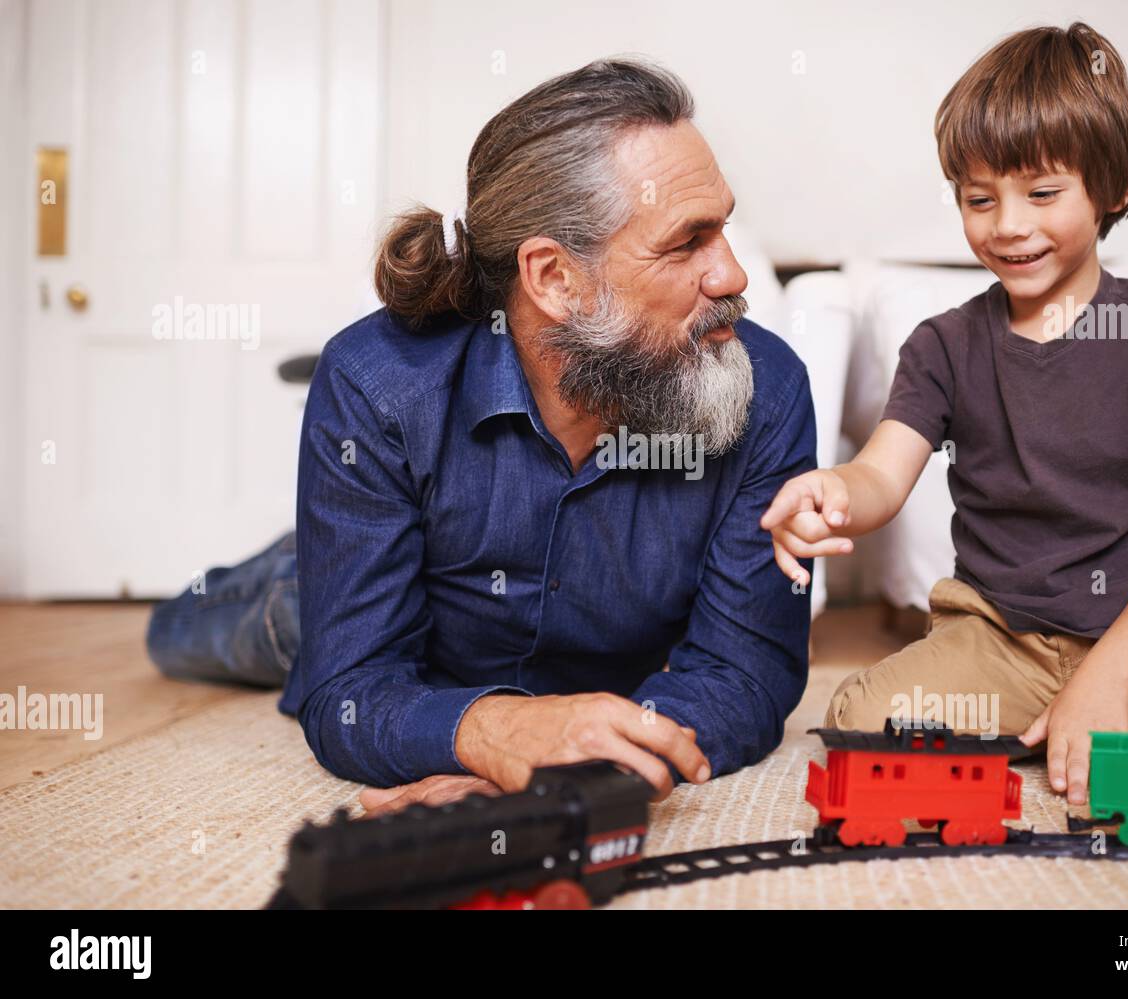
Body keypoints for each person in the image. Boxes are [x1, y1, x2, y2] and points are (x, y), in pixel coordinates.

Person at [148, 58, 816, 814]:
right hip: (320, 606)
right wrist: (489, 730)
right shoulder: (376, 385)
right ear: (554, 278)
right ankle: (302, 559)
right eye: (687, 241)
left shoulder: (767, 386)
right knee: (188, 631)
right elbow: (350, 690)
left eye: (723, 228)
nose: (731, 274)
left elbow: (744, 670)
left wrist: (583, 766)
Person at [760, 22, 1128, 808]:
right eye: (980, 199)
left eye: (1042, 193)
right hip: (995, 637)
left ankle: (1083, 715)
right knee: (862, 720)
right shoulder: (943, 344)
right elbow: (882, 469)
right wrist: (832, 490)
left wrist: (1108, 676)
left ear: (1115, 189)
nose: (1007, 224)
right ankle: (1063, 723)